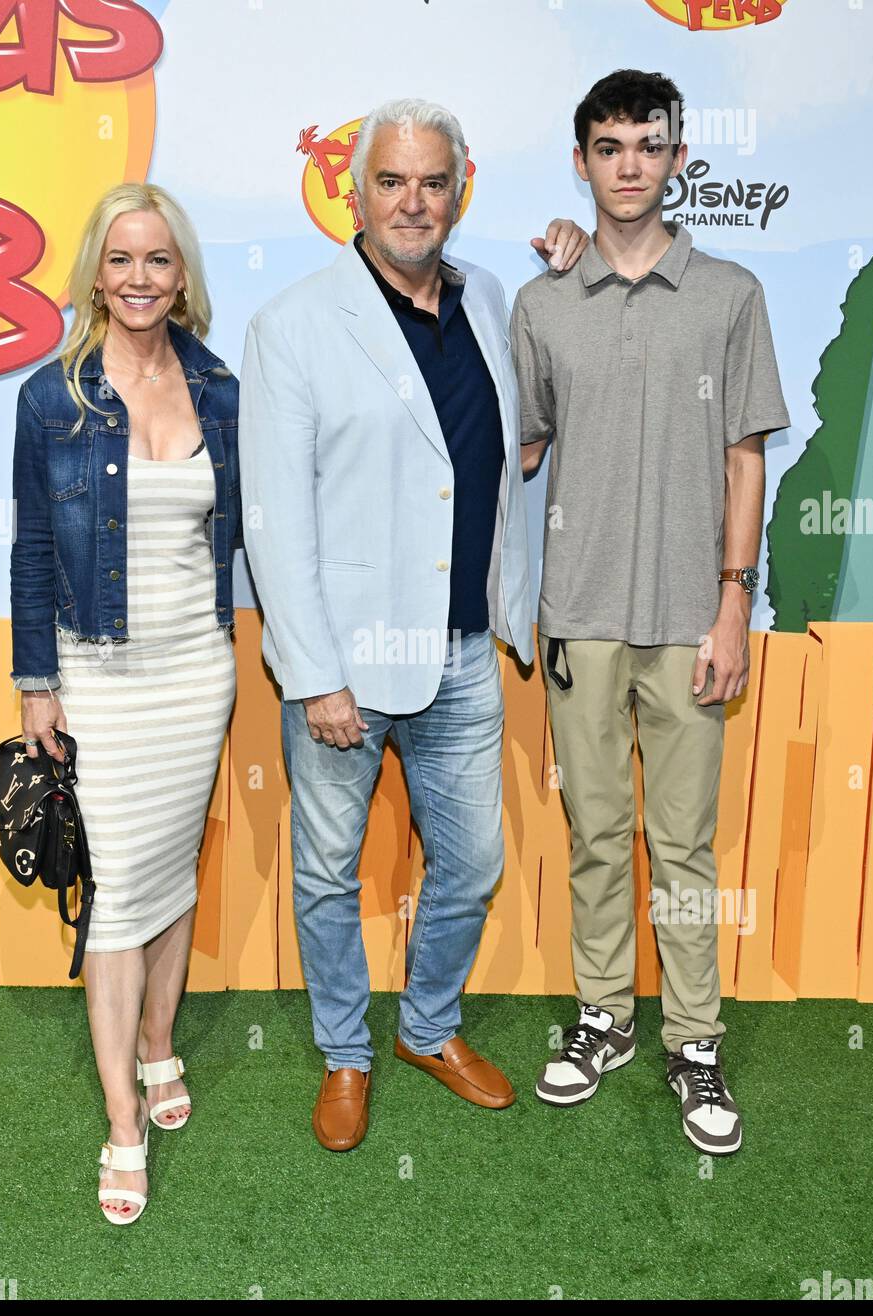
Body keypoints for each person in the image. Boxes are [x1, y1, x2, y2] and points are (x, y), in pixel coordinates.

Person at [240, 97, 588, 1152]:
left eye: (432, 182)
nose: (412, 201)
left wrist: (571, 272)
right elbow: (273, 518)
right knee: (323, 872)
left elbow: (517, 435)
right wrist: (314, 673)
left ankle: (427, 1027)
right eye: (390, 181)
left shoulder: (488, 298)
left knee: (472, 863)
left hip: (460, 652)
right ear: (354, 193)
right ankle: (346, 1050)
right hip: (341, 664)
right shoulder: (292, 325)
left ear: (458, 190)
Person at [512, 70, 790, 1155]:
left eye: (647, 144)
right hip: (576, 615)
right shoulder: (540, 303)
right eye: (608, 146)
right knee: (594, 833)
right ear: (579, 161)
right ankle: (600, 1018)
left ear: (677, 158)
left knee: (681, 845)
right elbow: (522, 445)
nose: (628, 164)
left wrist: (732, 604)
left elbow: (743, 459)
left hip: (689, 619)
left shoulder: (728, 294)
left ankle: (693, 1039)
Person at [9, 182, 242, 1221]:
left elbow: (239, 530)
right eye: (120, 259)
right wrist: (35, 683)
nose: (139, 278)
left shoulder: (224, 390)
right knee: (115, 899)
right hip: (97, 673)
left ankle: (159, 1048)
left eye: (157, 259)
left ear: (180, 273)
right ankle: (121, 1119)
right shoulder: (49, 397)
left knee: (171, 873)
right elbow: (27, 549)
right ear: (95, 275)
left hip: (196, 672)